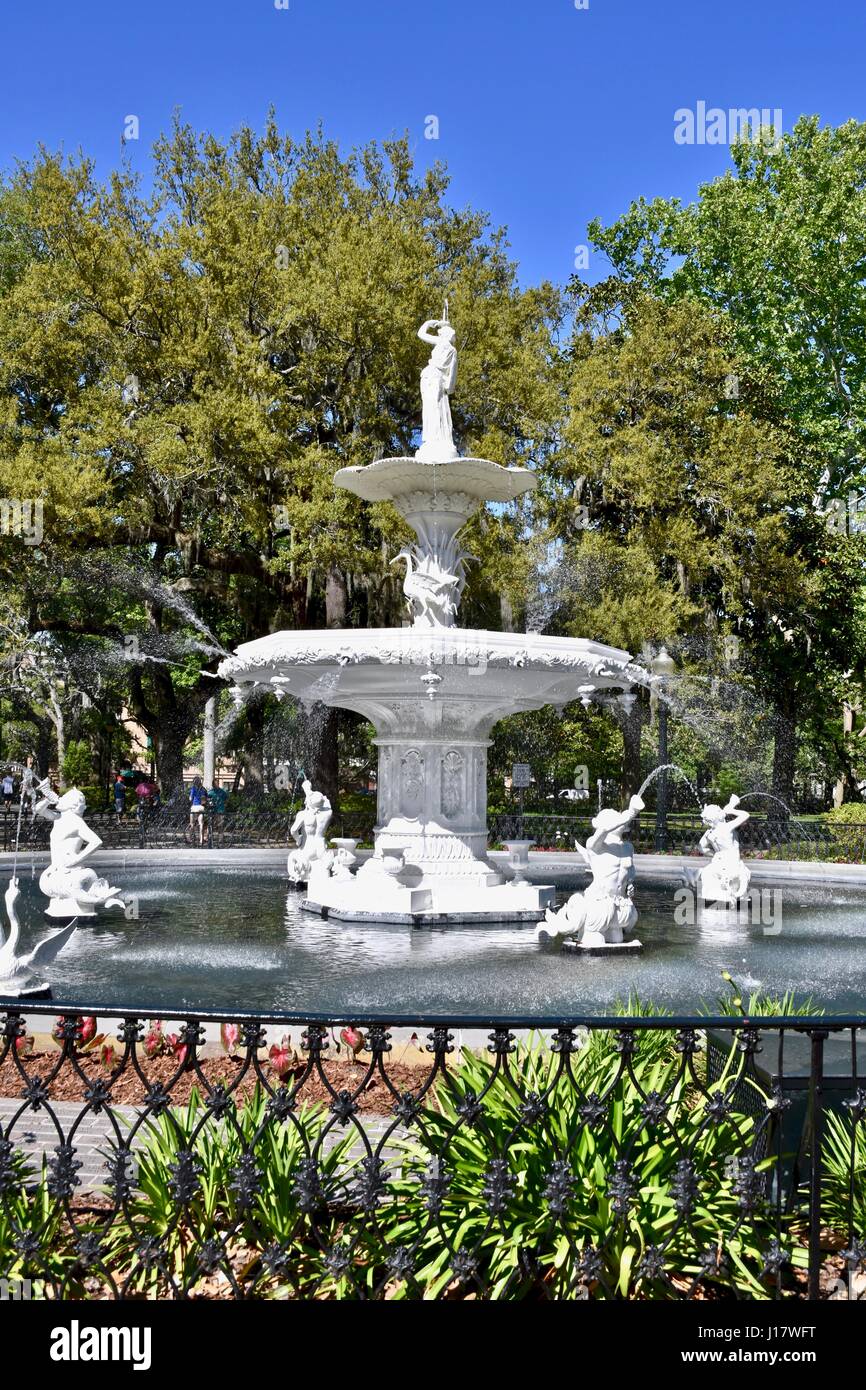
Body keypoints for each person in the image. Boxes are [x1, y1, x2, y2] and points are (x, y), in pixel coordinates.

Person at [188, 775, 207, 846]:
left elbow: (190, 798)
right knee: (201, 823)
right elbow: (205, 799)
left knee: (192, 823)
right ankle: (201, 840)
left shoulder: (193, 788)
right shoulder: (203, 789)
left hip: (194, 807)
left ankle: (191, 839)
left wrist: (190, 797)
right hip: (201, 807)